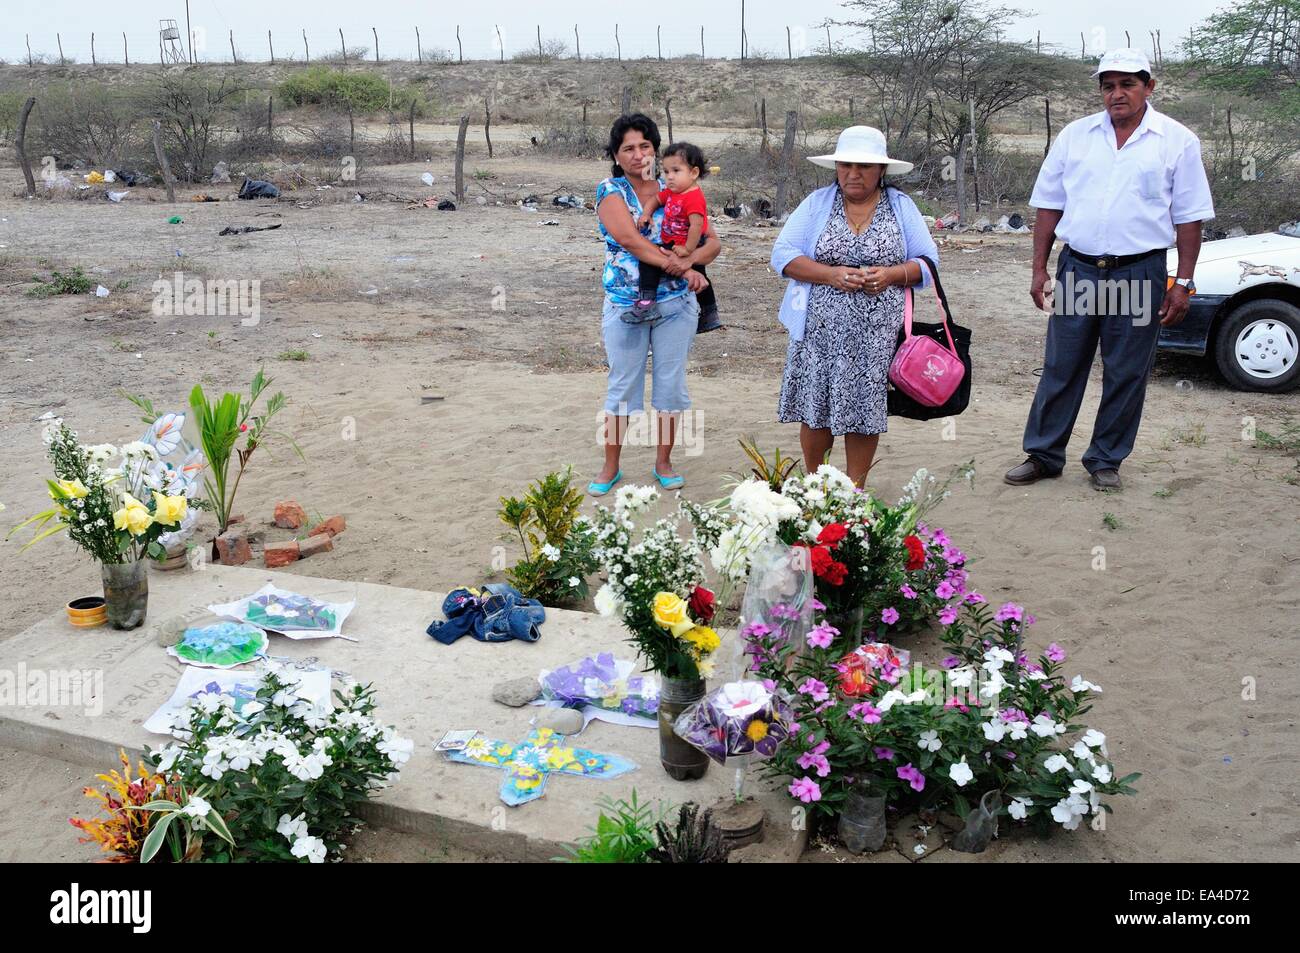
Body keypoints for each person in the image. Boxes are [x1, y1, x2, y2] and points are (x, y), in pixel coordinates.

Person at [1005, 48, 1214, 492]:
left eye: (1127, 84)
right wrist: (1039, 269)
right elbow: (1048, 206)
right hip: (1079, 268)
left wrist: (1184, 283)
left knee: (1126, 369)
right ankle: (1043, 454)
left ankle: (1105, 458)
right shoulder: (1076, 137)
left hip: (1139, 273)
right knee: (1062, 364)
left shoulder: (1177, 141)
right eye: (1108, 86)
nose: (1116, 94)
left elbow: (1190, 217)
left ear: (1149, 88)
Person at [772, 125, 939, 486]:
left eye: (864, 166)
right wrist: (829, 275)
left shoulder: (901, 207)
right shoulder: (817, 203)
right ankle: (816, 488)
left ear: (881, 171)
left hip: (876, 337)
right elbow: (782, 256)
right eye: (846, 165)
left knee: (864, 410)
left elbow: (928, 265)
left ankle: (853, 493)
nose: (853, 173)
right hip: (818, 333)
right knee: (816, 409)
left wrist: (892, 275)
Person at [590, 114, 720, 496]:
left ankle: (663, 461)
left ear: (655, 149)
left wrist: (690, 264)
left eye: (645, 146)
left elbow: (713, 242)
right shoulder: (609, 191)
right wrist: (681, 267)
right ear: (616, 154)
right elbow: (631, 240)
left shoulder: (678, 186)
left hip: (675, 307)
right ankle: (611, 465)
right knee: (621, 386)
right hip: (625, 305)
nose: (637, 154)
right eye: (628, 148)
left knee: (670, 386)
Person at [634, 142, 722, 332]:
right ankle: (648, 302)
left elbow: (697, 226)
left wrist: (688, 251)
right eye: (666, 171)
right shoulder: (673, 192)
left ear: (694, 173)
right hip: (673, 241)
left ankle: (709, 312)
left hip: (687, 243)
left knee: (696, 277)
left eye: (676, 171)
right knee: (653, 263)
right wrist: (646, 214)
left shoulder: (693, 197)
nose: (670, 177)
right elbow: (656, 199)